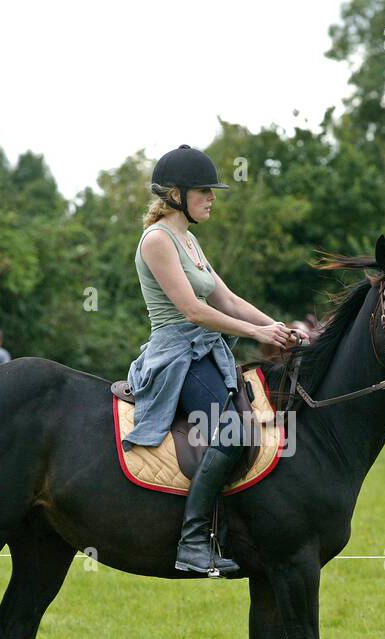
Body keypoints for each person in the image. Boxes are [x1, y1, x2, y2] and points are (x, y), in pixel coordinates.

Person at [121, 145, 306, 577]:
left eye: (212, 191)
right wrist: (259, 335)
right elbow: (194, 310)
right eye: (204, 190)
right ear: (175, 194)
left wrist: (277, 325)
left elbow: (226, 299)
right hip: (176, 356)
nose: (212, 197)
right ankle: (191, 543)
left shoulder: (189, 238)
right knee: (235, 431)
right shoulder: (157, 241)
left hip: (204, 350)